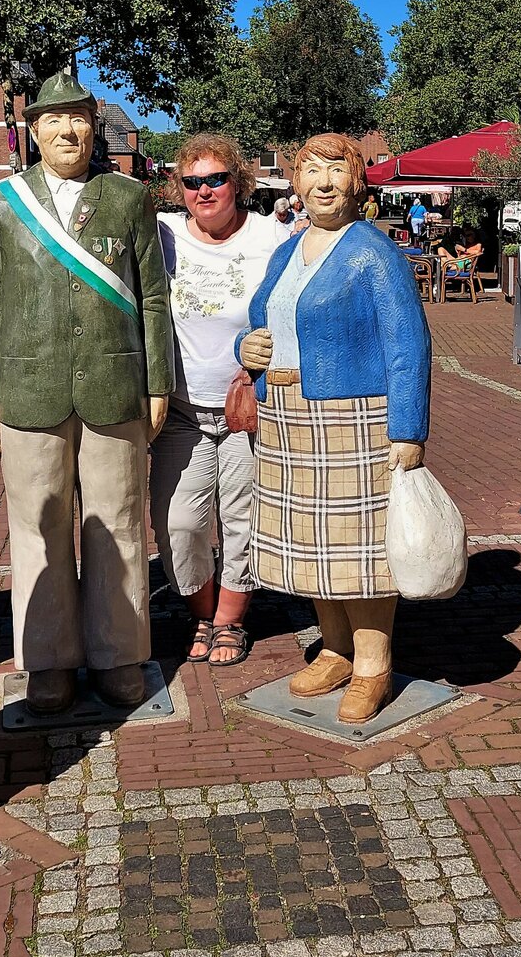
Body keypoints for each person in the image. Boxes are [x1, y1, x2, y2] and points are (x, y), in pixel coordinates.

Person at [0, 67, 174, 714]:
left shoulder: (128, 198)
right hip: (28, 387)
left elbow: (154, 300)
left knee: (118, 524)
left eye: (78, 118)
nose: (67, 130)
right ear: (31, 131)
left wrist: (157, 382)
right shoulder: (2, 203)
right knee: (37, 528)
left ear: (94, 126)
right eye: (53, 119)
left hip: (115, 385)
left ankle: (119, 653)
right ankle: (49, 660)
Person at [238, 133, 431, 725]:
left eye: (337, 170)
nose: (323, 183)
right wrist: (248, 348)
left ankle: (373, 662)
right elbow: (263, 318)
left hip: (355, 414)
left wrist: (408, 429)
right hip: (290, 414)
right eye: (311, 170)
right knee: (319, 545)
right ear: (295, 182)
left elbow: (410, 344)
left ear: (358, 181)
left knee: (363, 549)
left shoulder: (374, 253)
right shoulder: (286, 252)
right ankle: (335, 649)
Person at [152, 135, 284, 668]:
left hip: (249, 411)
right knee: (177, 524)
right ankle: (201, 611)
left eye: (216, 179)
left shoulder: (272, 239)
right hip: (183, 411)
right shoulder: (160, 235)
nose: (204, 190)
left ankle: (228, 621)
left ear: (239, 183)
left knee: (242, 520)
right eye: (192, 182)